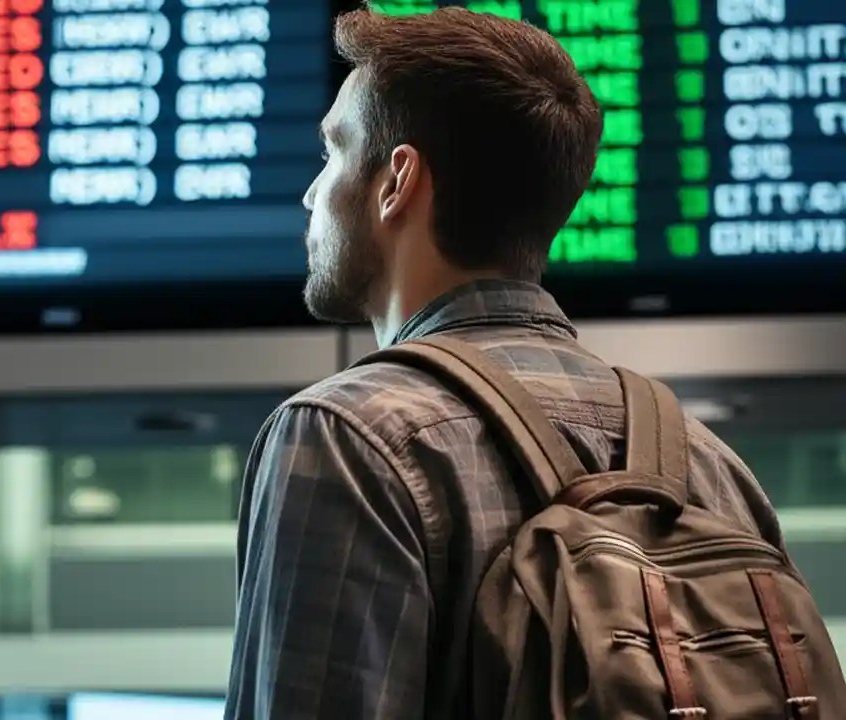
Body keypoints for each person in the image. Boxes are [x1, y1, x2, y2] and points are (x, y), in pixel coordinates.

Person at [225, 7, 786, 719]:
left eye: (334, 151)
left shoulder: (346, 436)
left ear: (397, 181)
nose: (313, 192)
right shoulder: (714, 469)